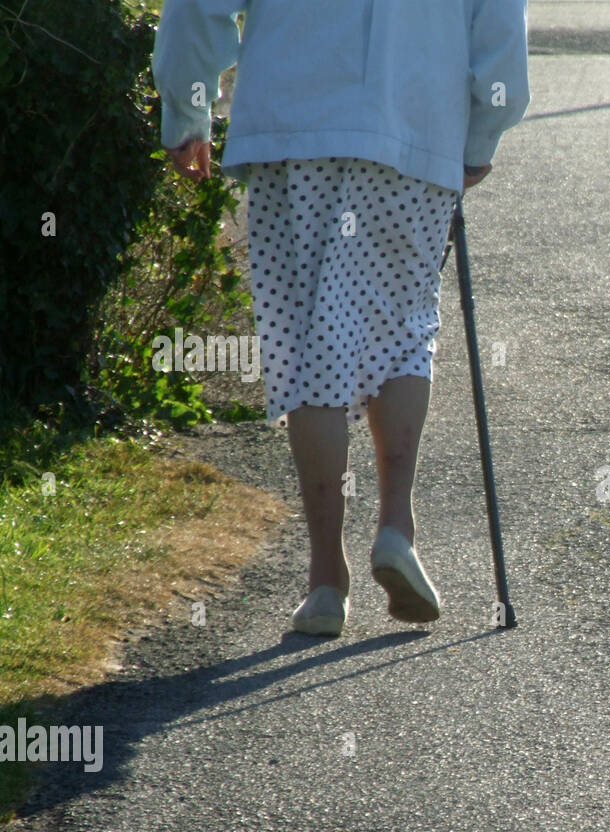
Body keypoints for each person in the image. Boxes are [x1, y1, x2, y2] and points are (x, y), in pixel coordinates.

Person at [152, 0, 529, 636]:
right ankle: (395, 526)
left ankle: (327, 580)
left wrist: (189, 108)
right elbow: (497, 24)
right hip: (415, 126)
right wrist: (482, 131)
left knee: (308, 343)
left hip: (291, 126)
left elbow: (200, 5)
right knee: (405, 329)